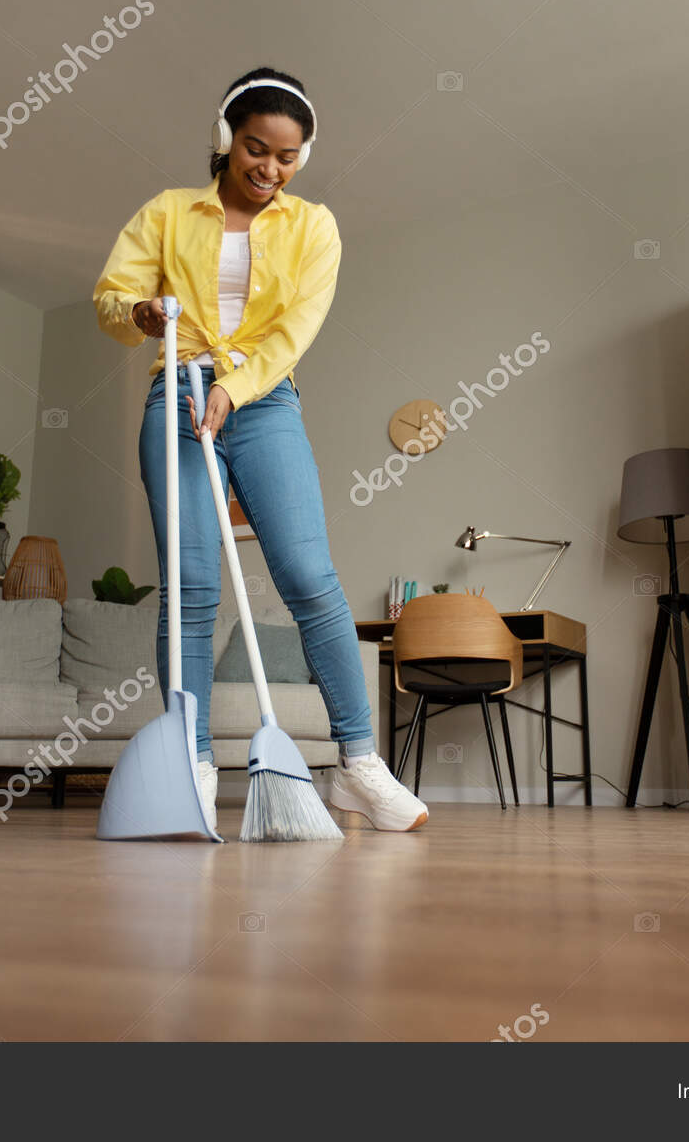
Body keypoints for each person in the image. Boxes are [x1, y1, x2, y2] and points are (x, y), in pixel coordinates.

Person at [93, 67, 428, 833]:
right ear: (224, 138)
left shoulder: (315, 227)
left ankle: (359, 766)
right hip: (177, 394)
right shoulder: (168, 213)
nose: (270, 168)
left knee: (309, 576)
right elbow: (110, 299)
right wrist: (140, 312)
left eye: (287, 156)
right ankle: (191, 764)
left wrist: (236, 389)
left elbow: (295, 330)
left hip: (266, 398)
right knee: (191, 586)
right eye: (255, 148)